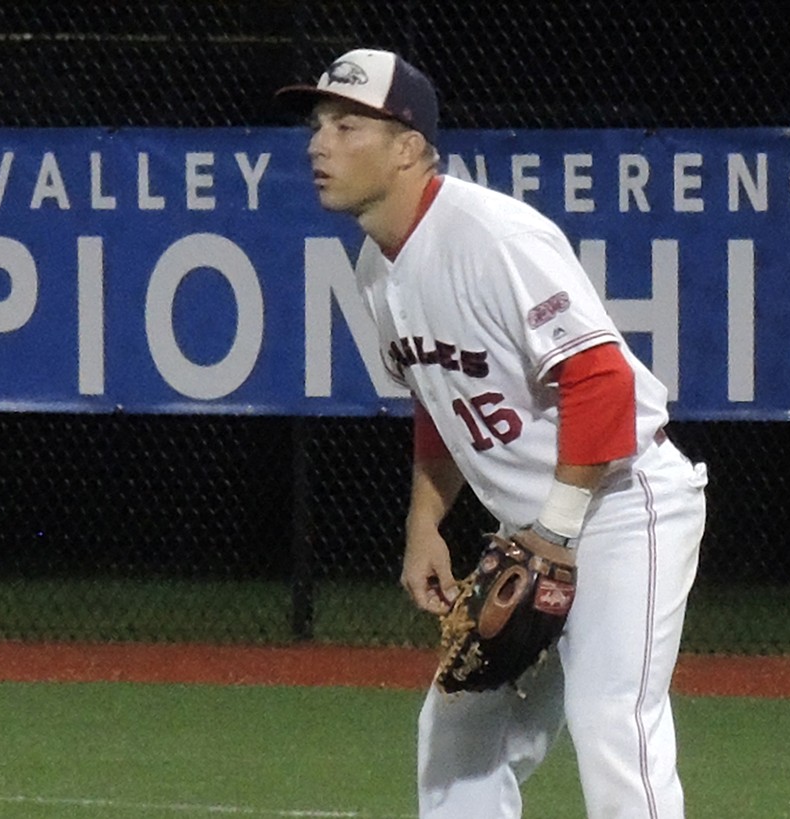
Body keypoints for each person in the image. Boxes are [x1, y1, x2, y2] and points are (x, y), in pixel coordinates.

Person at [276, 48, 708, 819]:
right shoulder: (378, 268)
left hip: (619, 505)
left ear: (408, 146)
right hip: (539, 526)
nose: (320, 143)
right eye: (318, 125)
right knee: (458, 733)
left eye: (346, 125)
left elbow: (600, 378)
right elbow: (438, 397)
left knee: (614, 721)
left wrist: (555, 534)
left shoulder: (490, 235)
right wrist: (424, 521)